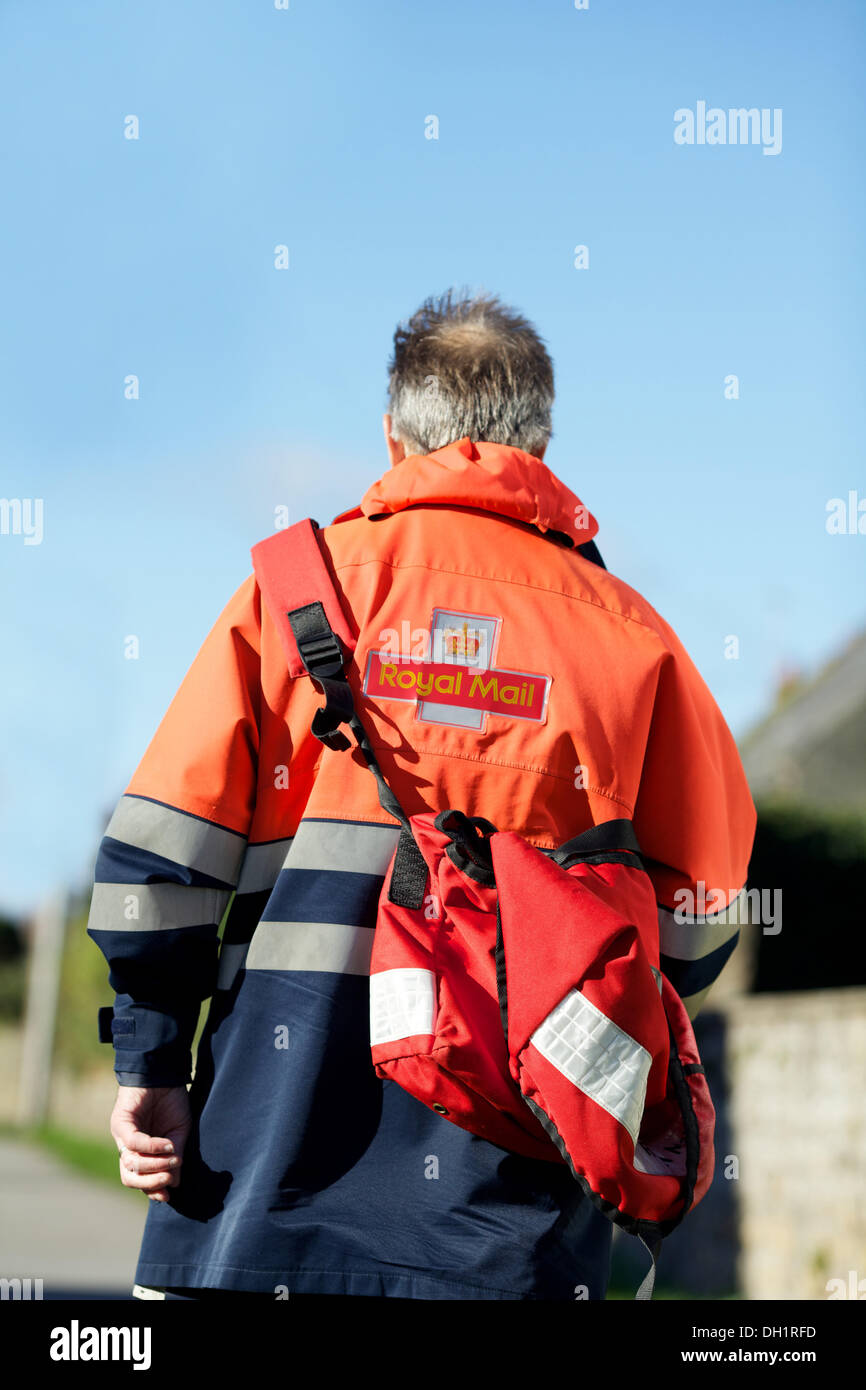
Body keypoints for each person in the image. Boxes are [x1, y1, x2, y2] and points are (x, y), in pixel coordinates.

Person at [87, 289, 756, 1301]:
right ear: (538, 439)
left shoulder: (291, 593)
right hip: (505, 1230)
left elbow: (156, 866)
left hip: (254, 1190)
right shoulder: (631, 640)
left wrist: (150, 1062)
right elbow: (696, 933)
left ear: (393, 434)